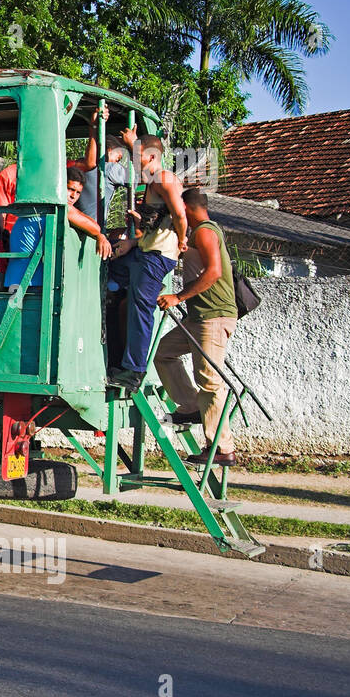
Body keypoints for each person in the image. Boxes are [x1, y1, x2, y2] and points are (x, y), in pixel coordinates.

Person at [152, 188, 239, 466]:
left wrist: (178, 297)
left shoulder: (205, 231)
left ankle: (222, 448)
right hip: (199, 316)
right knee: (163, 353)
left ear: (187, 207)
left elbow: (214, 272)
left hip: (212, 316)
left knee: (210, 380)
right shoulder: (196, 233)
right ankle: (190, 407)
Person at [108, 129, 189, 389]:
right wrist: (135, 235)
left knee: (140, 310)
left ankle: (133, 371)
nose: (133, 159)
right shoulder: (152, 180)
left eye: (137, 154)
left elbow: (179, 213)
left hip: (157, 256)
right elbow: (158, 223)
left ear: (151, 155)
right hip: (144, 251)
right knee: (112, 284)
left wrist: (182, 239)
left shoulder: (164, 179)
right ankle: (117, 359)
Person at [3, 165, 113, 292]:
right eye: (70, 189)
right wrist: (100, 236)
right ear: (60, 187)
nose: (73, 196)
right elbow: (94, 227)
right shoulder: (53, 204)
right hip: (28, 282)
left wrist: (99, 235)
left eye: (78, 193)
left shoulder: (46, 202)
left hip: (23, 280)